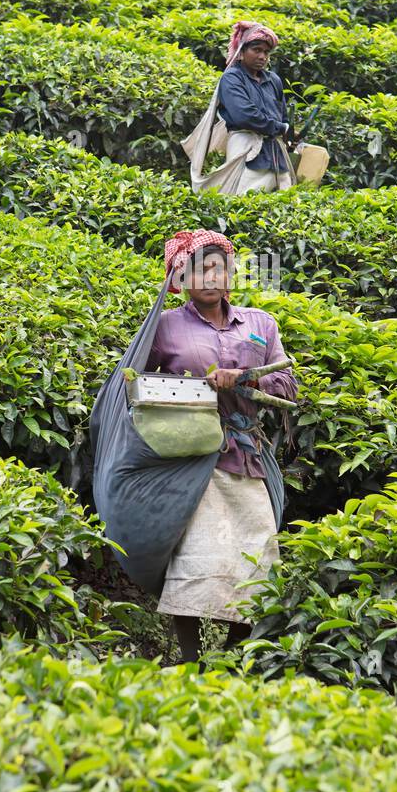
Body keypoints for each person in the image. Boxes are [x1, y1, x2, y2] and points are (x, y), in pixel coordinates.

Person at [148, 229, 298, 664]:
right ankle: (190, 657)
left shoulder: (259, 324)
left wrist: (246, 379)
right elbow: (139, 384)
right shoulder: (165, 326)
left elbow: (288, 385)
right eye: (199, 267)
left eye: (218, 266)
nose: (210, 276)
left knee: (253, 556)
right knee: (195, 555)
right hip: (192, 458)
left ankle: (233, 658)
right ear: (181, 277)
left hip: (247, 456)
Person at [180, 21, 298, 195]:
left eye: (266, 52)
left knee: (283, 199)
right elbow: (244, 115)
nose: (262, 56)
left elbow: (282, 116)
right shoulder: (232, 78)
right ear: (241, 52)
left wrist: (288, 132)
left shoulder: (274, 80)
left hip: (275, 151)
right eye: (256, 50)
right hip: (246, 146)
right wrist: (281, 128)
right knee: (244, 198)